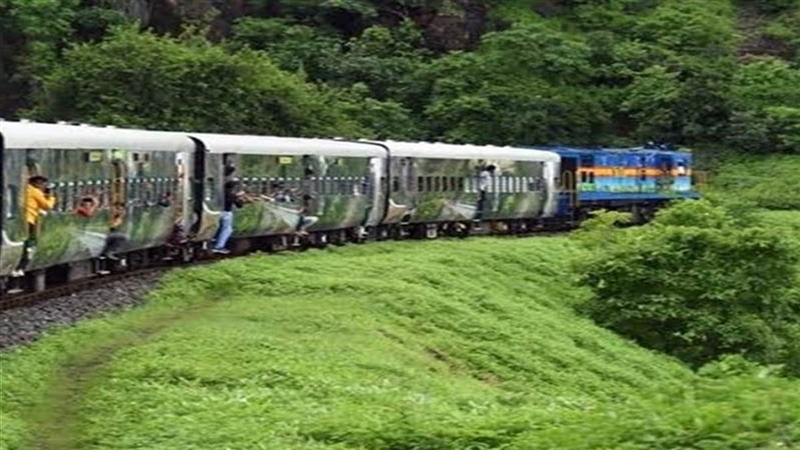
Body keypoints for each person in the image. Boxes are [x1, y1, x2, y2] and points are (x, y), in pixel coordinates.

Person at [14, 175, 57, 276]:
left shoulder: (25, 190)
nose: (43, 186)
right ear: (37, 183)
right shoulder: (35, 191)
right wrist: (51, 196)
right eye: (43, 184)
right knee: (31, 241)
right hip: (29, 219)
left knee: (25, 241)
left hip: (22, 219)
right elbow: (47, 205)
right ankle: (21, 265)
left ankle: (20, 264)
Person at [211, 179, 246, 254]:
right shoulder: (231, 194)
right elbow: (239, 205)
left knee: (217, 228)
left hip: (216, 212)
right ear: (233, 187)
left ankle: (213, 241)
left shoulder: (219, 193)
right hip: (226, 213)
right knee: (227, 229)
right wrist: (240, 198)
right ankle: (219, 246)